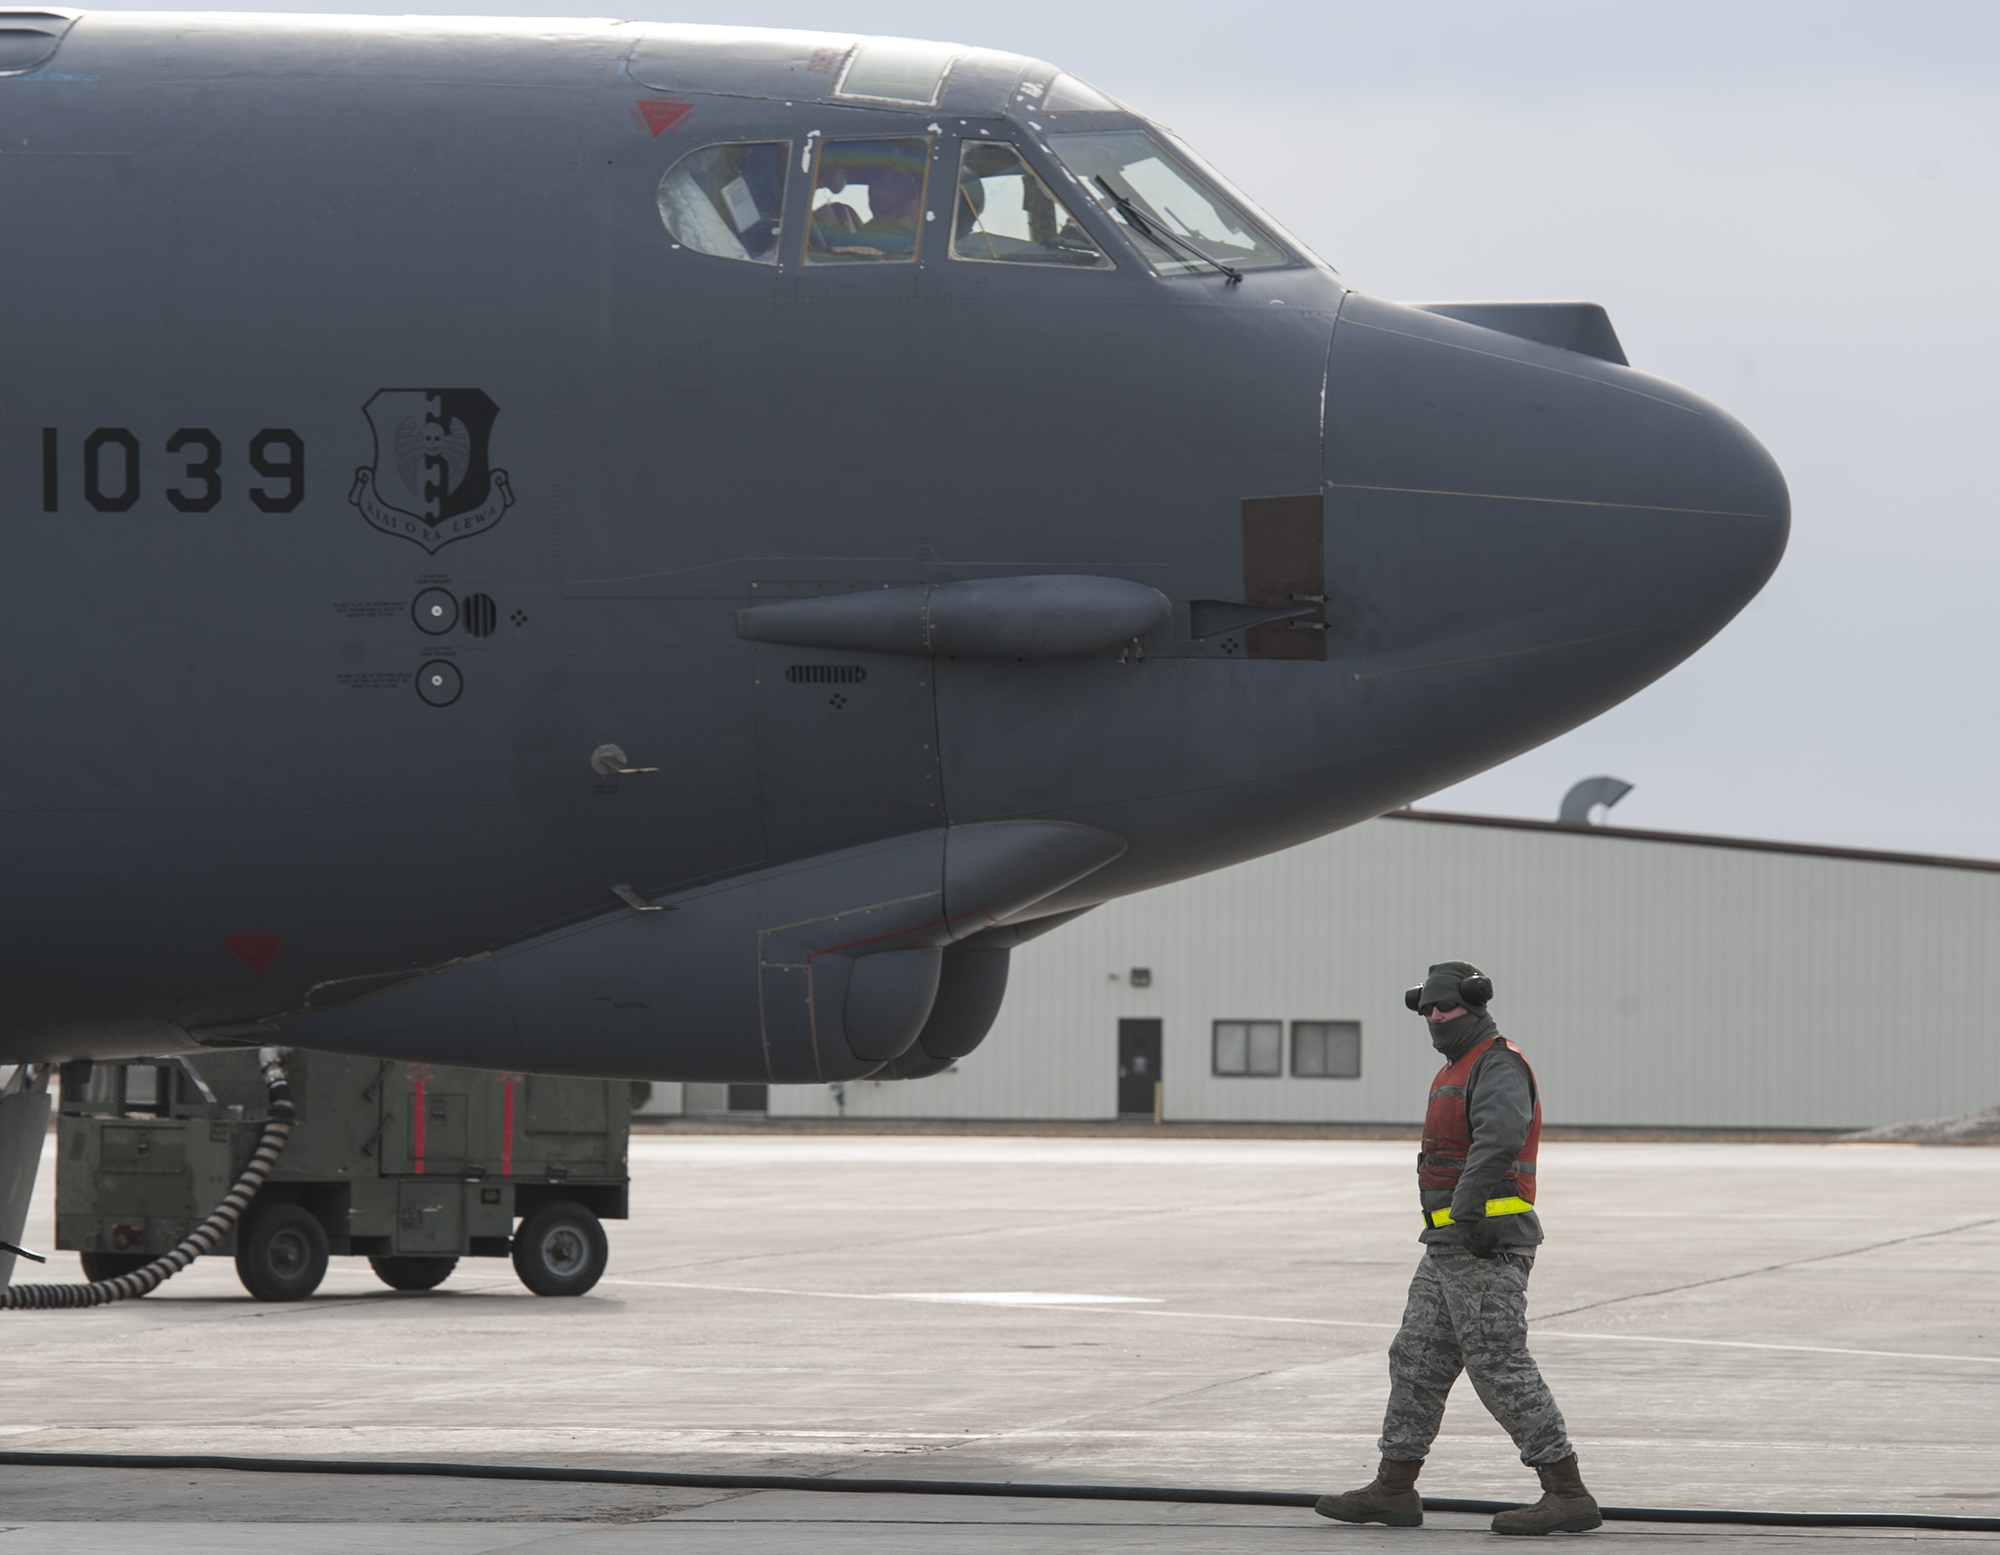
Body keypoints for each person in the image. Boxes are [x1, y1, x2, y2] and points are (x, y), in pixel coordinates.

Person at [1314, 960, 1601, 1537]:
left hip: (1485, 1242)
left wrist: (1468, 1211)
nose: (1436, 1017)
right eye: (1428, 1010)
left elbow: (1499, 1139)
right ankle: (1394, 1487)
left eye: (1446, 1007)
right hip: (1448, 1243)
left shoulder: (1496, 1063)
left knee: (1498, 1362)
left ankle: (1567, 1493)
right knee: (1417, 1359)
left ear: (1474, 1004)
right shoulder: (1458, 1065)